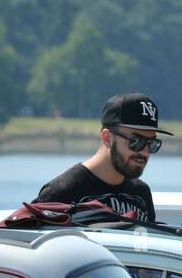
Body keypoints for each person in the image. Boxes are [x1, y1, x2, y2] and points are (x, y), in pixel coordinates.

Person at [35, 92, 171, 221]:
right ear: (107, 138)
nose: (145, 152)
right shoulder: (61, 192)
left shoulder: (141, 194)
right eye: (136, 141)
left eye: (152, 143)